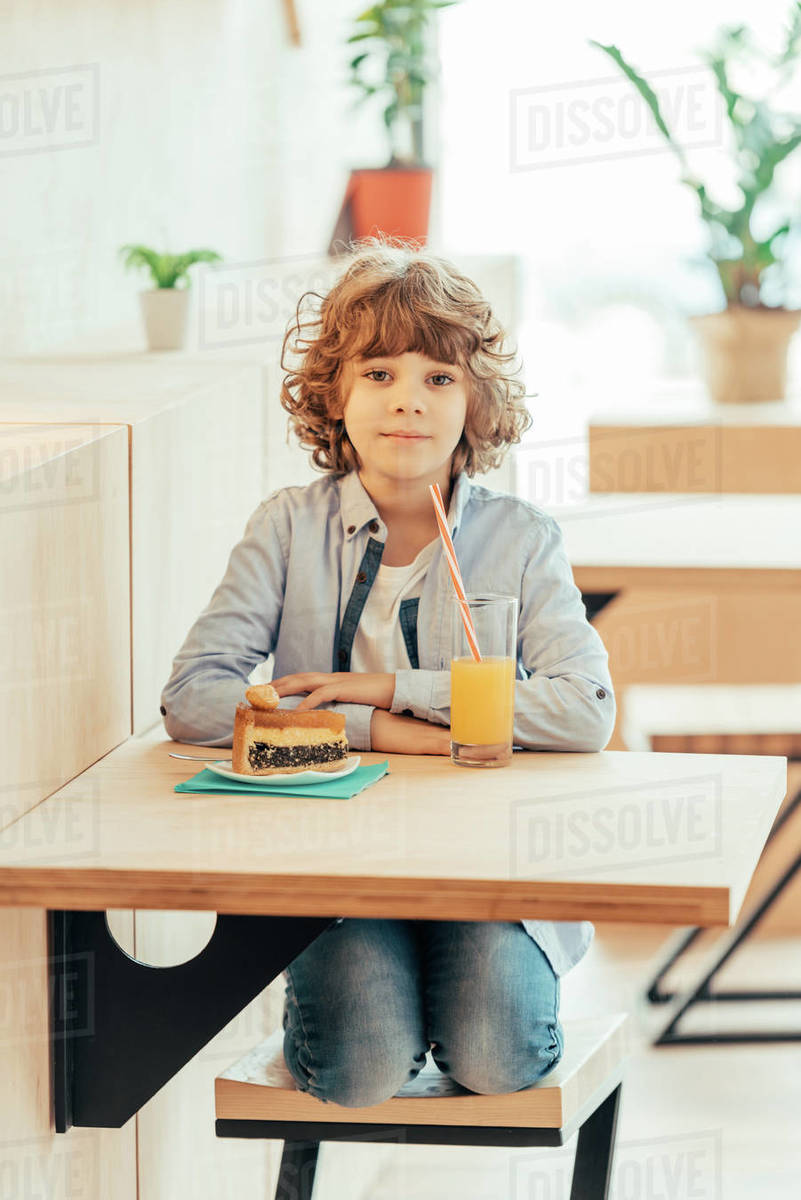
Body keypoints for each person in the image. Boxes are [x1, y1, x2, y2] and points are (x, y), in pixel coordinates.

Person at [160, 238, 616, 1106]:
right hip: (332, 871)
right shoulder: (287, 528)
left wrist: (392, 692)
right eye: (377, 374)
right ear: (333, 393)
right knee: (360, 1065)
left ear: (475, 402)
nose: (407, 401)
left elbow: (583, 708)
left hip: (489, 868)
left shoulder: (520, 538)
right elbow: (193, 698)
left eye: (438, 379)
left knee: (496, 1058)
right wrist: (376, 734)